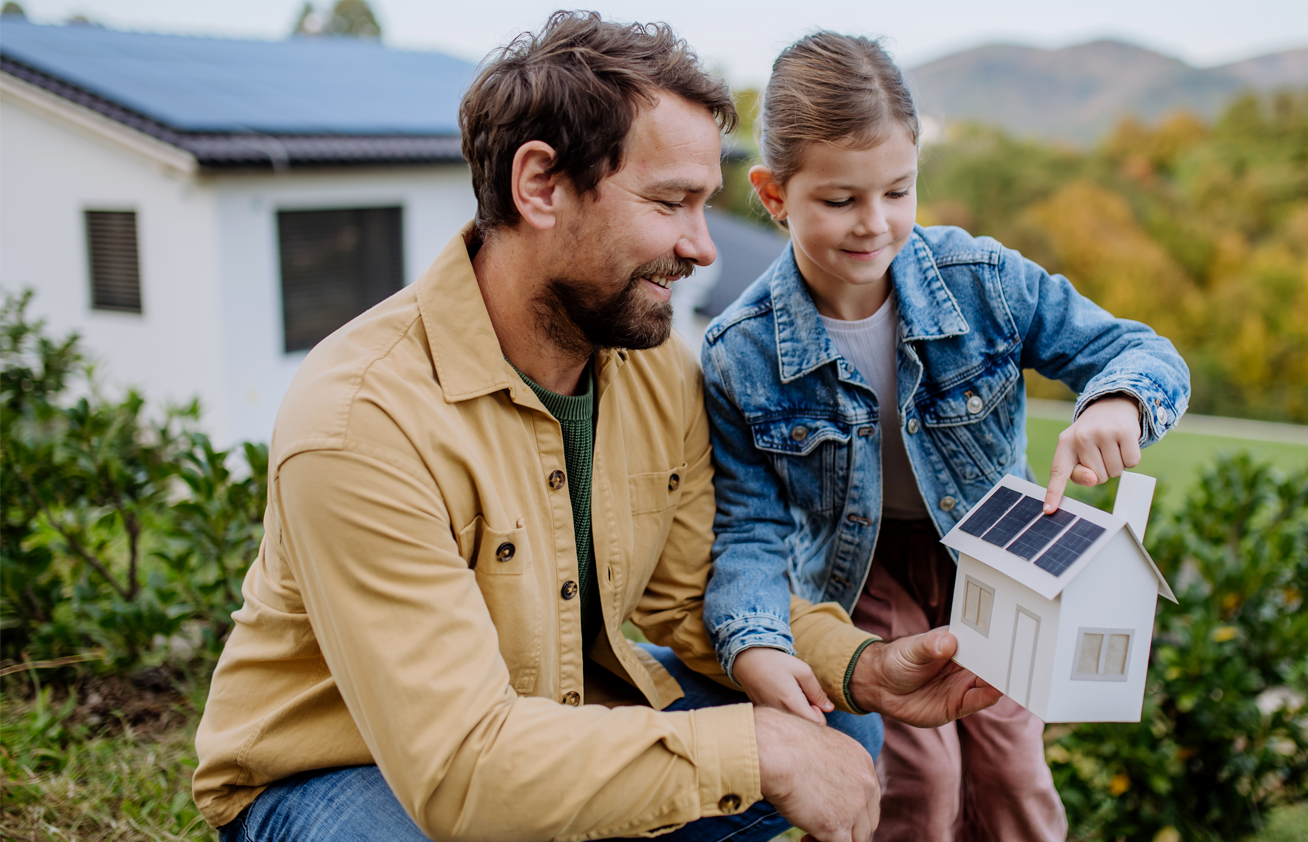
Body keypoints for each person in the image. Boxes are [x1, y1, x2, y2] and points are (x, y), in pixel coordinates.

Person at [192, 13, 1001, 842]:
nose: (702, 248)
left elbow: (695, 595)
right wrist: (752, 751)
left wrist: (860, 666)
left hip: (552, 710)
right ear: (539, 185)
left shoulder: (652, 365)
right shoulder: (361, 418)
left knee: (830, 721)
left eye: (703, 205)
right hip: (345, 770)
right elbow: (460, 768)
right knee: (758, 747)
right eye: (668, 204)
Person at [700, 32, 1191, 842]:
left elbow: (1137, 351)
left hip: (992, 555)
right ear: (773, 192)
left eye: (898, 191)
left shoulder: (983, 281)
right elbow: (747, 529)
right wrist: (754, 639)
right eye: (840, 200)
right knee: (918, 782)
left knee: (1012, 774)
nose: (874, 224)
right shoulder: (740, 351)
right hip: (857, 577)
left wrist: (1117, 404)